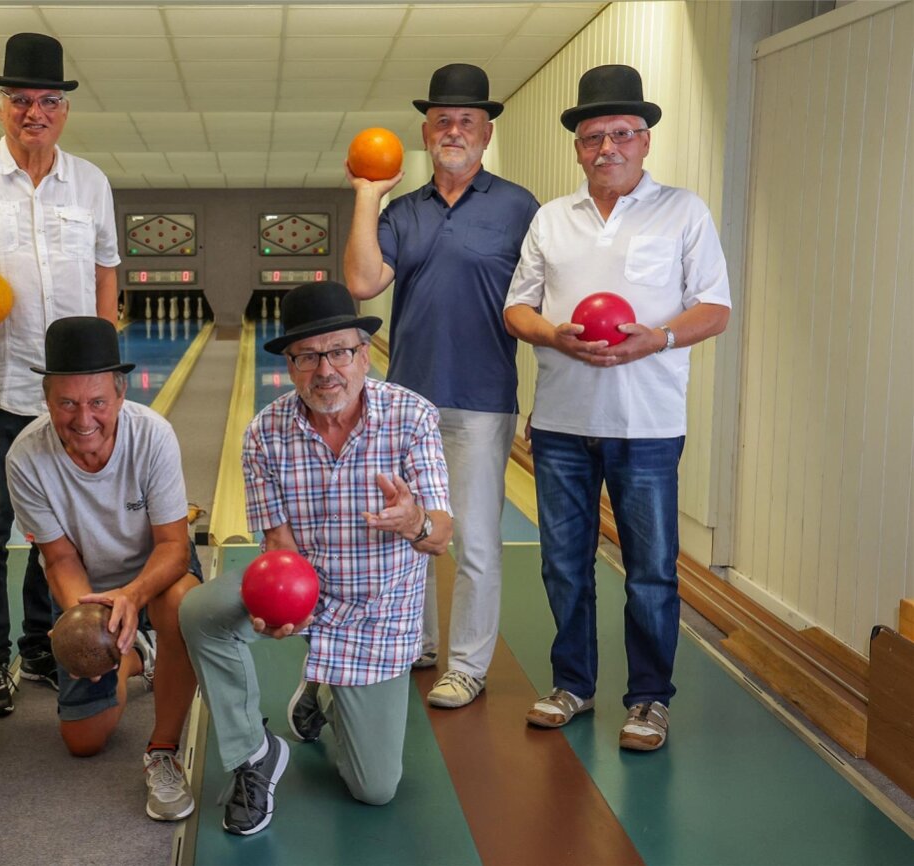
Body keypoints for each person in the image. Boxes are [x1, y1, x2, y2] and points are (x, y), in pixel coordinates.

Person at [503, 64, 731, 751]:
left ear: (644, 140)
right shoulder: (551, 218)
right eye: (593, 136)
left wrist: (656, 338)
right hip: (561, 426)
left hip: (649, 428)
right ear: (577, 146)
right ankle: (572, 684)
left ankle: (648, 700)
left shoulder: (683, 211)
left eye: (621, 134)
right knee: (562, 564)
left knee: (651, 572)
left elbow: (714, 308)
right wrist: (554, 335)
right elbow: (517, 306)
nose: (607, 147)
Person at [180, 281, 452, 836]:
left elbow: (441, 536)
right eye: (307, 356)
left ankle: (322, 691)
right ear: (289, 364)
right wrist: (280, 610)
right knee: (200, 611)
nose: (325, 370)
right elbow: (278, 548)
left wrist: (414, 521)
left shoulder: (413, 417)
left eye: (340, 352)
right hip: (307, 587)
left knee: (375, 789)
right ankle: (254, 755)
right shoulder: (264, 435)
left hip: (378, 612)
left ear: (364, 354)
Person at [0, 33, 121, 717]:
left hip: (68, 400)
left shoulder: (90, 182)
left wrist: (105, 369)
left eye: (45, 101)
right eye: (18, 100)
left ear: (63, 110)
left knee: (58, 531)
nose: (32, 111)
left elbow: (105, 270)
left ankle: (42, 642)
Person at [343, 63, 539, 709]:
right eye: (441, 120)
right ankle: (419, 643)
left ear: (485, 134)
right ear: (425, 132)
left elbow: (541, 301)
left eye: (466, 121)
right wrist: (367, 197)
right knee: (411, 531)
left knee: (475, 538)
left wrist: (543, 398)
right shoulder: (403, 211)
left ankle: (467, 665)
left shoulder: (517, 208)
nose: (453, 130)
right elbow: (363, 283)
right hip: (408, 400)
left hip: (482, 400)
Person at [5, 317, 201, 822]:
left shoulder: (152, 434)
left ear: (120, 394)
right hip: (87, 582)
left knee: (178, 602)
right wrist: (89, 628)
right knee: (83, 742)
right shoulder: (26, 457)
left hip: (157, 569)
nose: (82, 418)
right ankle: (136, 656)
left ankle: (163, 750)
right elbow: (61, 558)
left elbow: (174, 546)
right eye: (66, 403)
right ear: (47, 400)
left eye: (96, 402)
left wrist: (132, 598)